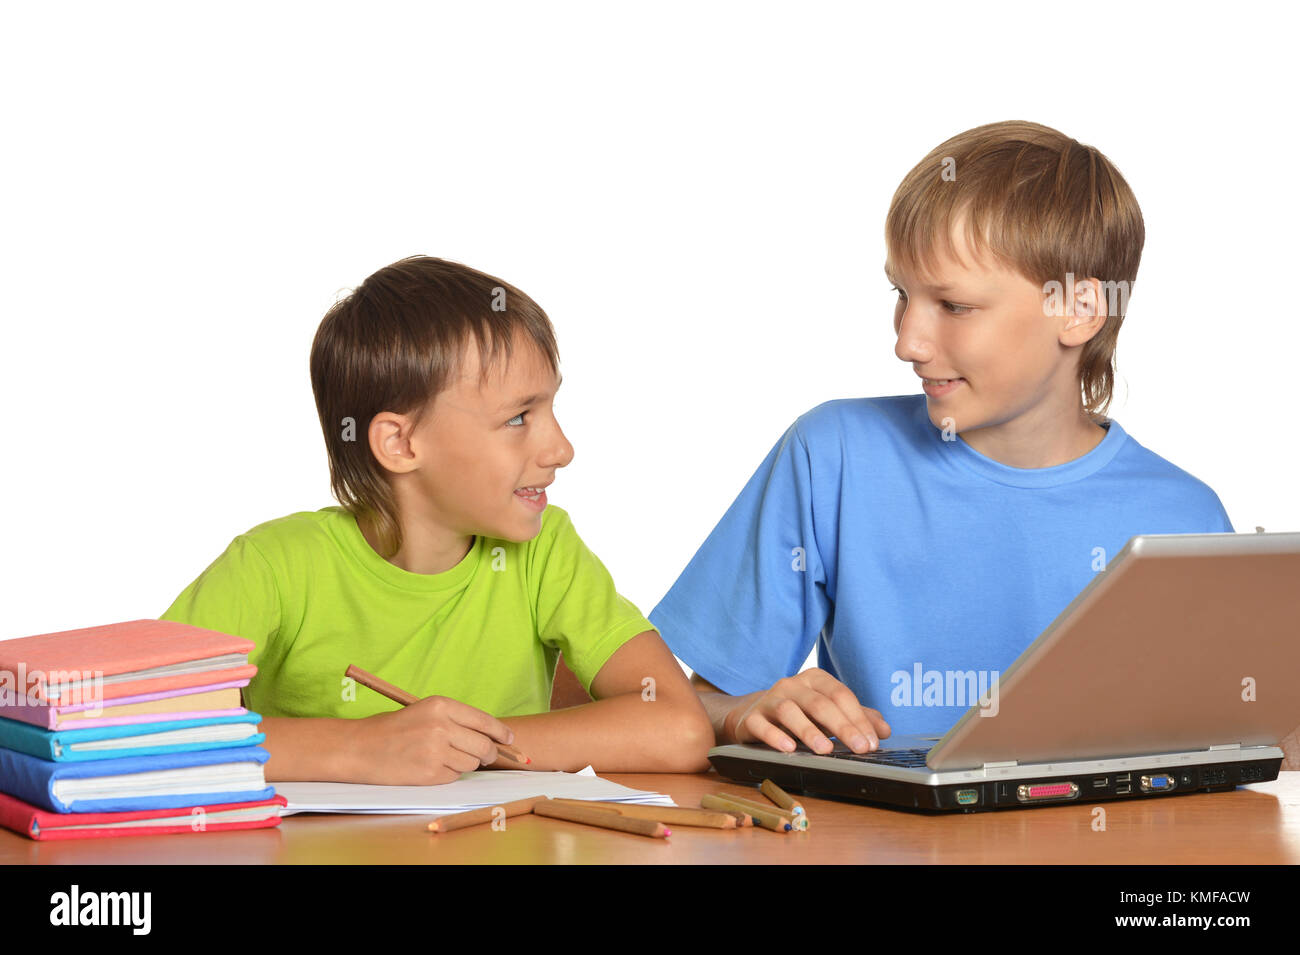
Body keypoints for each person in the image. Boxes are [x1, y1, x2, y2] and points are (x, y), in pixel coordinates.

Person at [649, 120, 1236, 757]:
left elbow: (1234, 740)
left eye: (954, 306)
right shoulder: (833, 457)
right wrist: (742, 714)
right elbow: (688, 707)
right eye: (902, 294)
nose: (907, 342)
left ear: (1079, 310)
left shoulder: (1185, 519)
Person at [161, 256, 712, 783]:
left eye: (550, 409)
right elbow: (139, 729)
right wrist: (361, 749)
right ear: (400, 443)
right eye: (519, 417)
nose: (562, 449)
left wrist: (470, 746)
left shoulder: (547, 550)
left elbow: (679, 728)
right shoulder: (274, 564)